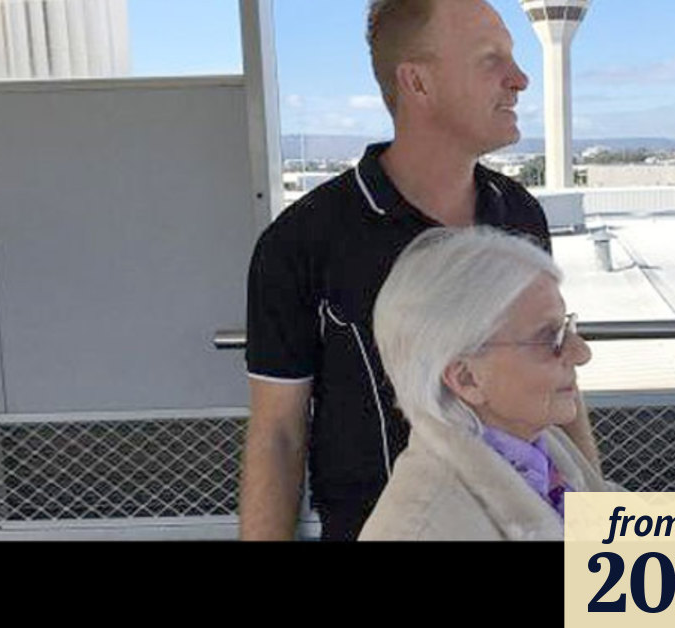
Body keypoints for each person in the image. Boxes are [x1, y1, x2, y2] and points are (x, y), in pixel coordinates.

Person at [239, 0, 599, 541]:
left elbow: (557, 391)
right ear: (418, 83)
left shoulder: (520, 215)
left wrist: (597, 526)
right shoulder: (303, 242)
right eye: (490, 60)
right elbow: (278, 436)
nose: (520, 79)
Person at [359, 228, 675, 541]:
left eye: (571, 327)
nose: (580, 353)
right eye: (550, 338)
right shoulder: (424, 528)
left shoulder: (540, 461)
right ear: (466, 377)